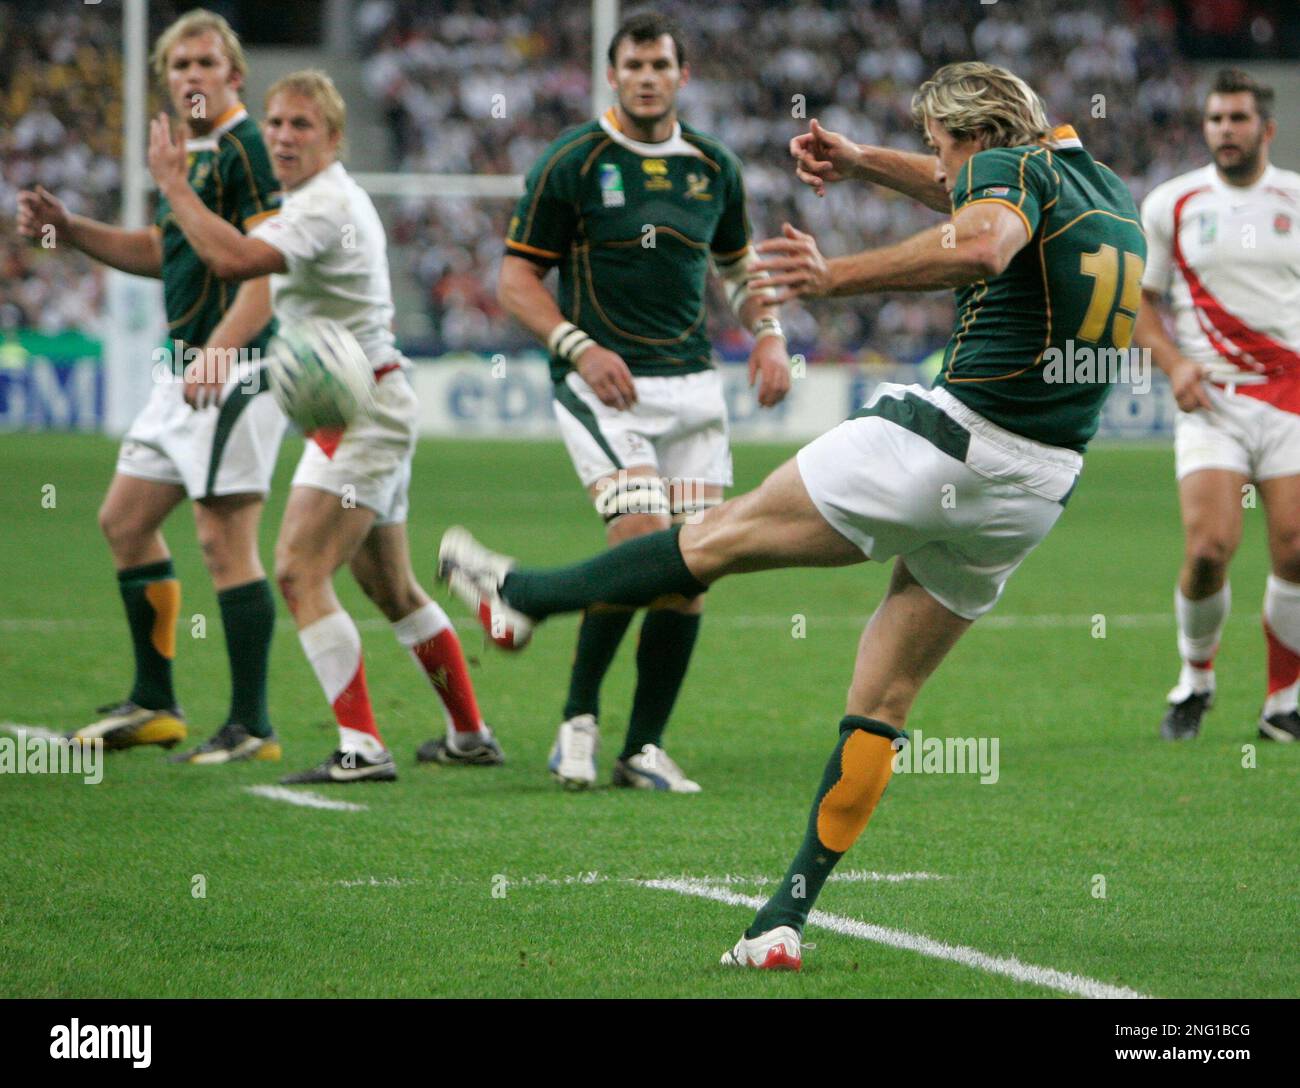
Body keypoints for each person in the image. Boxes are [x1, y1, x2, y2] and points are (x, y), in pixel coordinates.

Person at [439, 62, 1145, 968]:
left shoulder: (1007, 178)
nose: (939, 162)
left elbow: (982, 244)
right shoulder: (1101, 184)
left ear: (975, 137)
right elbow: (968, 191)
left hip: (951, 440)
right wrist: (860, 162)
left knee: (715, 538)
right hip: (1038, 487)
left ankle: (527, 594)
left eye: (940, 141)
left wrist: (832, 277)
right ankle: (780, 922)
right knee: (883, 703)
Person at [148, 69, 503, 783]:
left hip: (362, 413)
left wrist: (176, 187)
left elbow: (233, 258)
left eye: (301, 125)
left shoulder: (324, 204)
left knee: (297, 570)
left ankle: (362, 746)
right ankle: (468, 734)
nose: (281, 135)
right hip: (363, 403)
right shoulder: (315, 200)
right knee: (390, 586)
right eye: (275, 122)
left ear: (334, 138)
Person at [497, 11, 790, 792]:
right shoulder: (573, 161)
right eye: (634, 65)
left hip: (693, 386)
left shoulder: (713, 167)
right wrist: (579, 348)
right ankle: (578, 721)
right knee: (642, 537)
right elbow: (516, 279)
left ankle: (644, 746)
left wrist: (769, 334)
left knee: (692, 569)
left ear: (681, 75)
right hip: (606, 382)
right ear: (613, 74)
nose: (648, 77)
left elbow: (738, 266)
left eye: (661, 64)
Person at [17, 9, 286, 764]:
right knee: (124, 520)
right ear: (165, 80)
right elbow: (158, 247)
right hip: (183, 371)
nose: (193, 76)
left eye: (207, 64)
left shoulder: (249, 150)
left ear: (234, 74)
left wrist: (222, 350)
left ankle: (253, 724)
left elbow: (268, 267)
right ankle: (156, 701)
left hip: (238, 369)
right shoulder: (187, 156)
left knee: (223, 539)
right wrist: (71, 229)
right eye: (180, 67)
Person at [1135, 70, 1300, 743]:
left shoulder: (1296, 198)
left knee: (1295, 549)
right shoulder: (1171, 204)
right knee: (1208, 549)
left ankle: (1284, 701)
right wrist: (1174, 364)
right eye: (1214, 119)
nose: (1224, 130)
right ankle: (1195, 679)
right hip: (1212, 400)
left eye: (1236, 118)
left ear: (1267, 127)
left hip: (1291, 397)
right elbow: (1139, 305)